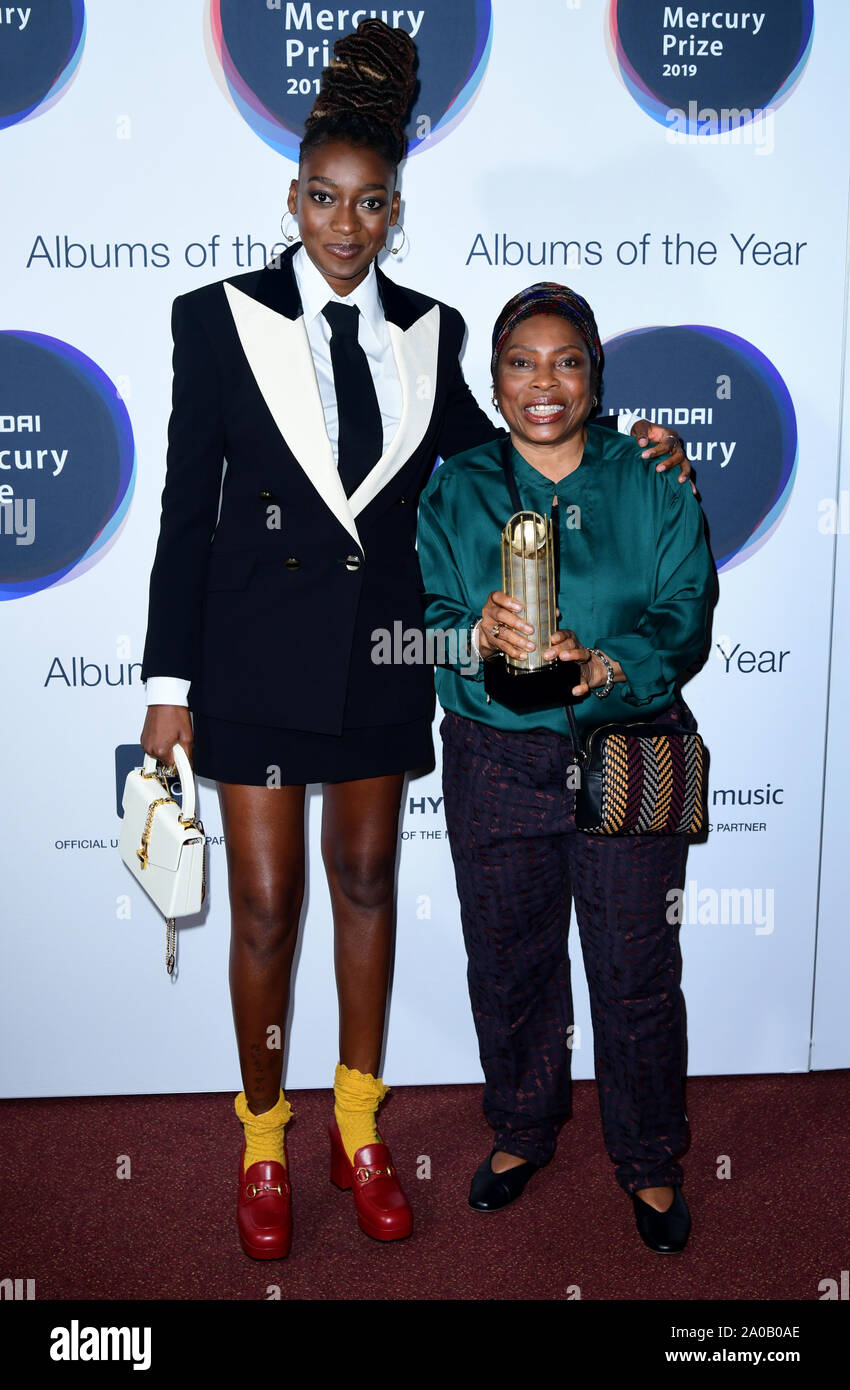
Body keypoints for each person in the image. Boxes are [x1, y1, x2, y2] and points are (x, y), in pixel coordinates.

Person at [140, 20, 689, 1261]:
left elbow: (519, 443)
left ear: (396, 210)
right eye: (324, 197)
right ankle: (265, 1137)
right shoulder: (213, 319)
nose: (345, 222)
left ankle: (359, 1124)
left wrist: (650, 448)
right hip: (251, 664)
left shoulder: (437, 333)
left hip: (388, 661)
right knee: (268, 905)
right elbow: (185, 514)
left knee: (370, 887)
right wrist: (167, 684)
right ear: (293, 198)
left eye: (371, 201)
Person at [416, 282, 715, 1253]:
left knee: (635, 970)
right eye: (520, 361)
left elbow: (685, 611)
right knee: (510, 962)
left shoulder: (654, 474)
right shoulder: (455, 484)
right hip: (495, 757)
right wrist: (472, 634)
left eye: (567, 360)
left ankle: (651, 1157)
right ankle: (523, 1127)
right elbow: (416, 621)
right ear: (495, 377)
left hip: (623, 746)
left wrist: (608, 663)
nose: (543, 382)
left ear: (594, 374)